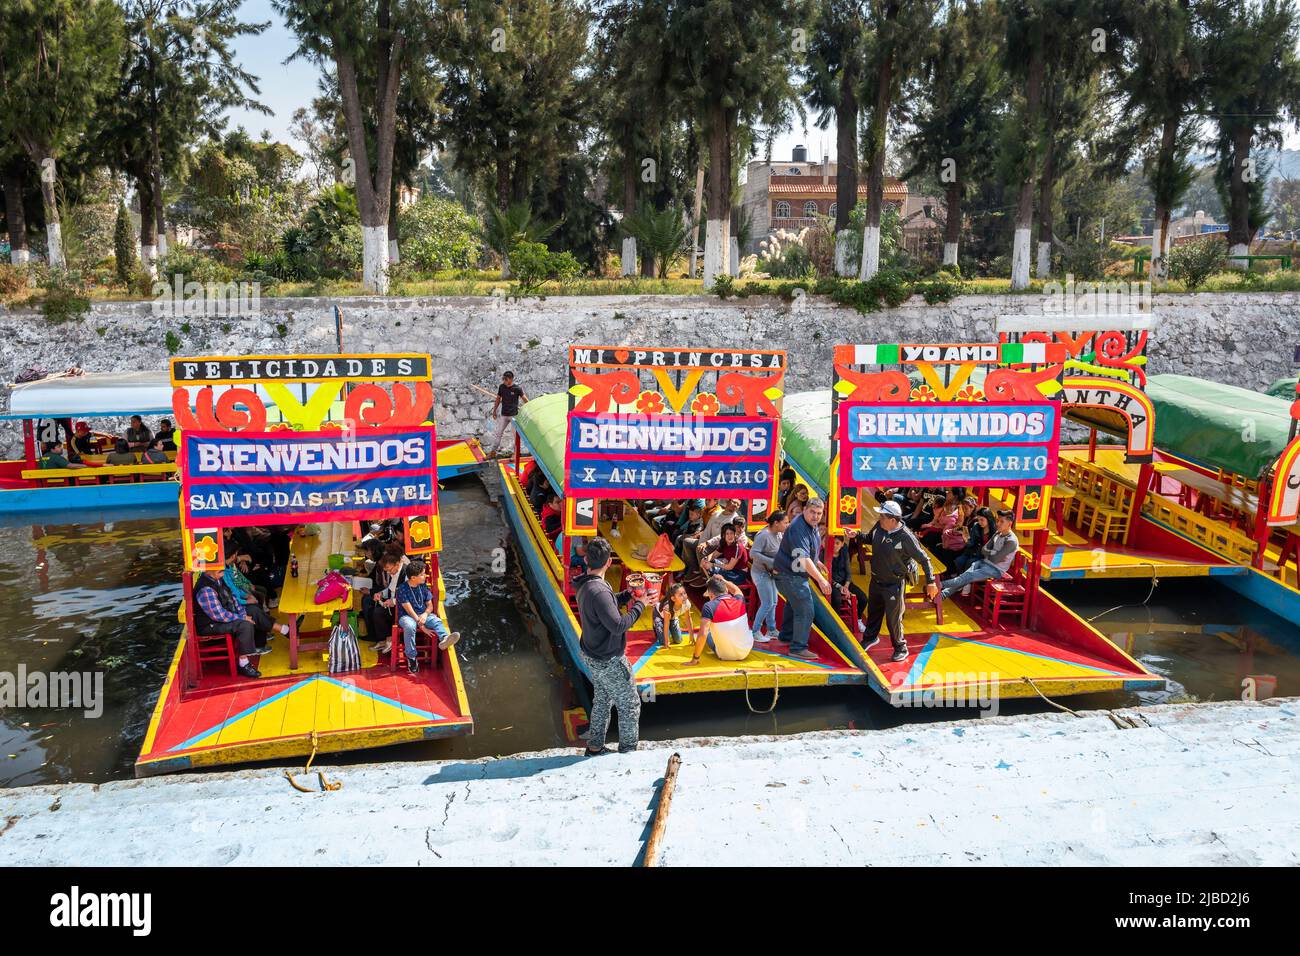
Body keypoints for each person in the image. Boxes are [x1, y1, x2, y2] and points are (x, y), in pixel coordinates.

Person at [573, 537, 644, 755]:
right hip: (609, 660)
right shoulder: (600, 591)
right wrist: (641, 605)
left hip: (592, 655)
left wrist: (625, 596)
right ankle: (628, 752)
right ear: (608, 563)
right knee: (630, 705)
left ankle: (594, 746)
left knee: (603, 700)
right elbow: (617, 625)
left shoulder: (586, 585)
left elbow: (605, 606)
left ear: (586, 560)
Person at [862, 500, 939, 662]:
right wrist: (856, 535)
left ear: (893, 520)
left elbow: (924, 560)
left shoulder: (906, 537)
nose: (879, 518)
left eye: (882, 516)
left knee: (894, 619)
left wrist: (931, 581)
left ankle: (900, 647)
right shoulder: (879, 527)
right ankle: (870, 638)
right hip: (876, 579)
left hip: (893, 584)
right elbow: (869, 539)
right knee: (874, 611)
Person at [773, 496, 832, 660]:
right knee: (805, 609)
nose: (815, 516)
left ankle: (786, 636)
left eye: (819, 513)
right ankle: (798, 648)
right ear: (805, 509)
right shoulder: (799, 527)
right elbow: (803, 558)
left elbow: (807, 550)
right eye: (812, 512)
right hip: (790, 575)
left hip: (790, 573)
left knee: (794, 604)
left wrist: (817, 561)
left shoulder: (810, 525)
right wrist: (821, 579)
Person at [192, 569, 271, 679]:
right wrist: (243, 617)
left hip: (223, 616)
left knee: (252, 609)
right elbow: (219, 615)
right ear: (209, 571)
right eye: (219, 571)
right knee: (244, 625)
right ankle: (243, 664)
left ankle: (271, 635)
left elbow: (233, 599)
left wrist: (243, 613)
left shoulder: (218, 579)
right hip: (210, 624)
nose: (223, 573)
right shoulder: (205, 589)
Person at [396, 561, 461, 675]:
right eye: (422, 574)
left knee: (436, 620)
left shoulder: (423, 586)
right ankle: (411, 658)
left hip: (422, 615)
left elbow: (430, 605)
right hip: (407, 617)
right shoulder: (402, 588)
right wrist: (422, 626)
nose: (424, 576)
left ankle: (444, 639)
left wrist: (425, 614)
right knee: (410, 626)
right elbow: (409, 610)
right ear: (413, 577)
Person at [940, 509, 1021, 600]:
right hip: (984, 562)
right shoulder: (998, 533)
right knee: (964, 577)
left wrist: (989, 552)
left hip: (995, 569)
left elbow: (995, 559)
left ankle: (939, 585)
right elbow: (983, 550)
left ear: (1010, 524)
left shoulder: (1011, 541)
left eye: (1002, 522)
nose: (998, 524)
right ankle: (942, 595)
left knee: (966, 577)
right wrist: (992, 553)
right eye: (998, 520)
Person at [683, 576, 753, 665]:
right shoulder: (740, 599)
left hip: (725, 655)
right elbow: (736, 589)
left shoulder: (709, 606)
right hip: (745, 652)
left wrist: (695, 658)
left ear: (711, 595)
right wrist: (722, 579)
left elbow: (703, 634)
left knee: (706, 634)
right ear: (726, 590)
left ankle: (697, 655)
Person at [749, 510, 787, 644]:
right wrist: (771, 562)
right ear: (776, 523)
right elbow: (753, 553)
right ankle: (755, 631)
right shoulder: (763, 535)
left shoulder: (779, 534)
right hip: (761, 573)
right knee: (767, 603)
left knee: (774, 602)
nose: (787, 525)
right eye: (785, 522)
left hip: (772, 573)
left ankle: (771, 629)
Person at [364, 552, 407, 652]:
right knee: (371, 606)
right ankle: (381, 639)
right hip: (393, 603)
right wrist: (381, 594)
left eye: (389, 569)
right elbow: (390, 588)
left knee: (378, 613)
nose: (388, 573)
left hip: (402, 608)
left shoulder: (406, 574)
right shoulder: (395, 572)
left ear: (397, 564)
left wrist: (394, 601)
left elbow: (409, 596)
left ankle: (388, 639)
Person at [831, 528, 871, 634]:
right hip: (833, 584)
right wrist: (840, 587)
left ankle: (858, 620)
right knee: (836, 599)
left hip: (845, 583)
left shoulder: (844, 553)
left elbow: (848, 572)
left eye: (837, 543)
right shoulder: (825, 554)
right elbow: (828, 577)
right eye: (833, 543)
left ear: (842, 544)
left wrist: (846, 586)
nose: (834, 545)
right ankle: (837, 625)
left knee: (863, 598)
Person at [487, 371, 528, 457]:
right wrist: (494, 411)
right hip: (504, 415)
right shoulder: (502, 387)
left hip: (514, 416)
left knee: (515, 437)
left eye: (506, 379)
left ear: (511, 379)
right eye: (503, 379)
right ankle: (493, 452)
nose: (504, 381)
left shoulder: (517, 389)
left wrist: (531, 407)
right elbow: (498, 399)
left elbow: (524, 399)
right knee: (498, 433)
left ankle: (516, 454)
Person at [702, 521, 751, 586]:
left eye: (731, 533)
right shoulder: (724, 543)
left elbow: (729, 567)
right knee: (709, 564)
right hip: (731, 569)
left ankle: (715, 588)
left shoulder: (737, 547)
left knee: (714, 571)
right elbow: (714, 555)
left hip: (738, 574)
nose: (730, 536)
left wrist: (712, 565)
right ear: (723, 535)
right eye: (727, 534)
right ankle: (713, 586)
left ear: (734, 534)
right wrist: (706, 560)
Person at [950, 507, 993, 574]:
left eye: (982, 520)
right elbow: (971, 543)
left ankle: (965, 580)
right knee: (958, 561)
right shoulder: (976, 526)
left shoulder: (994, 531)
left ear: (989, 519)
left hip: (985, 556)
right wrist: (966, 539)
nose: (979, 522)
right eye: (978, 520)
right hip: (973, 552)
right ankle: (961, 577)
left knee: (970, 562)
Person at [653, 582, 693, 648]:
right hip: (660, 616)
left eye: (684, 593)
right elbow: (666, 624)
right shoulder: (667, 607)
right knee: (663, 642)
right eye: (680, 595)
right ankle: (657, 624)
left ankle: (674, 621)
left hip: (672, 617)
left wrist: (691, 636)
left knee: (678, 640)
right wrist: (666, 642)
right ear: (673, 598)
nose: (684, 596)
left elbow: (688, 619)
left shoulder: (686, 603)